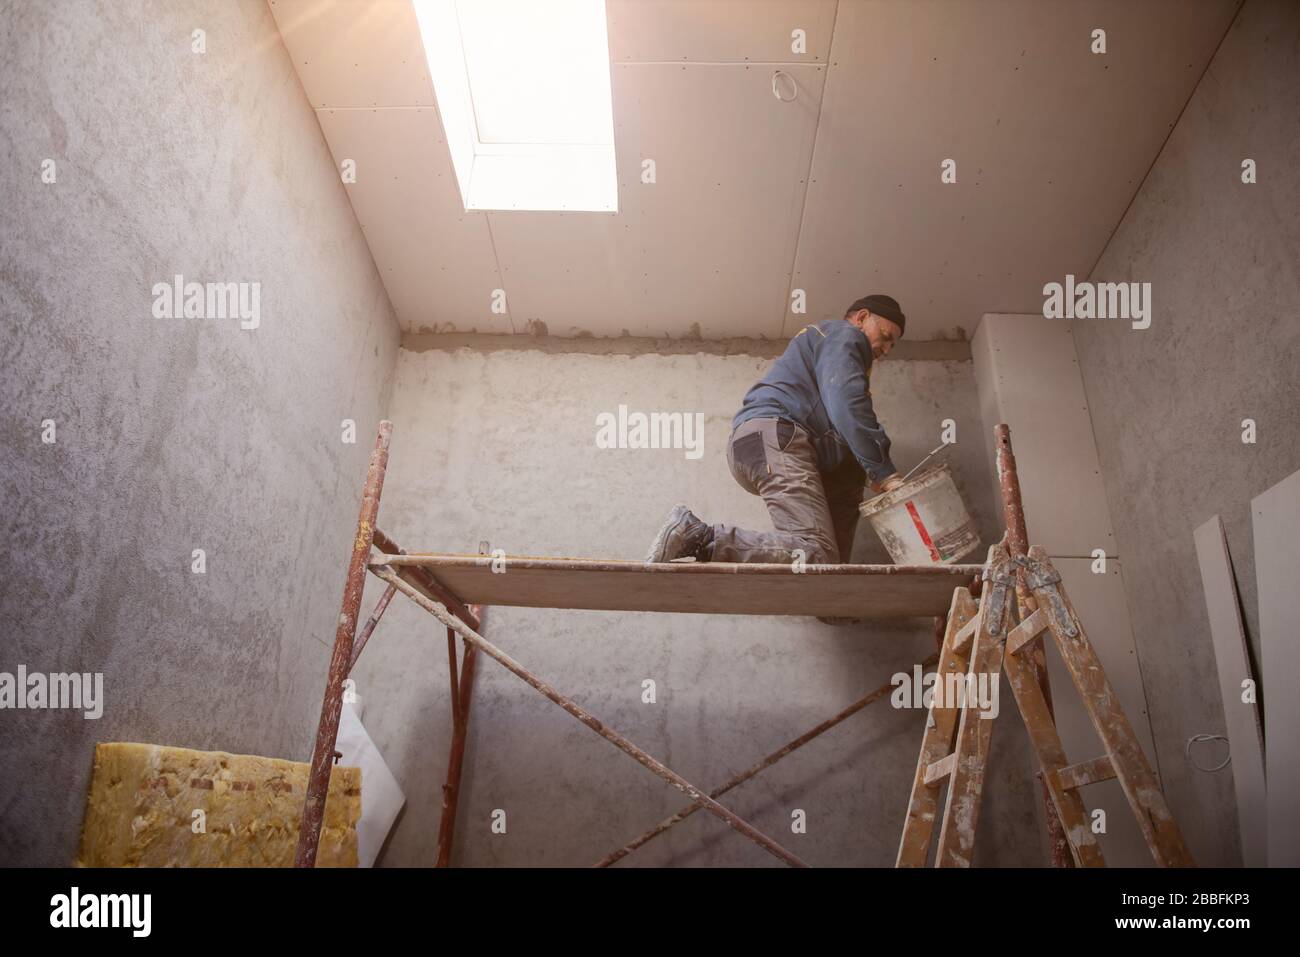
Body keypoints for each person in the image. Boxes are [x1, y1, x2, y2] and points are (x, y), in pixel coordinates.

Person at [645, 294, 908, 567]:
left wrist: (864, 472)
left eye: (892, 344)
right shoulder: (844, 335)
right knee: (817, 551)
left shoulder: (823, 350)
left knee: (822, 561)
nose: (887, 349)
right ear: (861, 318)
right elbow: (849, 404)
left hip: (760, 442)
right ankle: (698, 536)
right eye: (886, 336)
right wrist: (885, 473)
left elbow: (840, 425)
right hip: (778, 438)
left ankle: (826, 605)